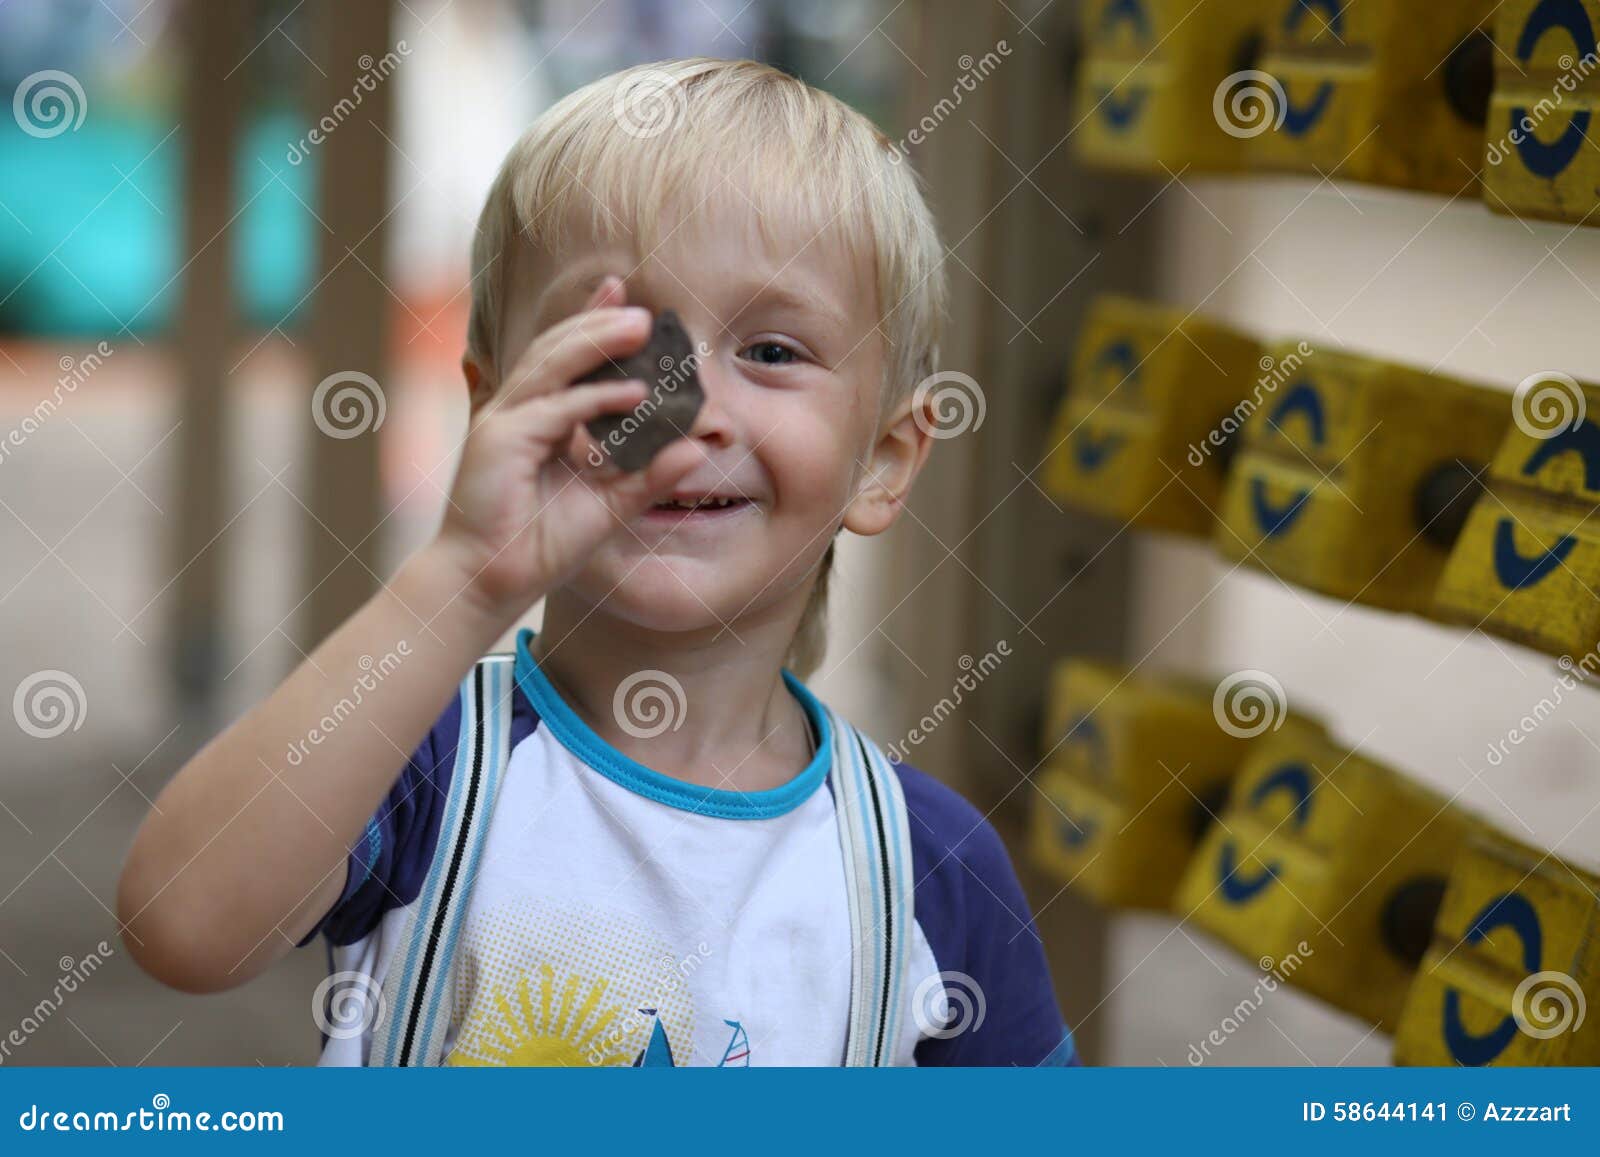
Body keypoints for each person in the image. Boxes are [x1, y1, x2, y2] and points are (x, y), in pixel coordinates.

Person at [118, 57, 1078, 1068]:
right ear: (495, 408)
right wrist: (463, 577)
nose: (685, 408)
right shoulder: (425, 762)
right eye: (619, 347)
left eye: (774, 351)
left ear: (882, 461)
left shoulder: (929, 869)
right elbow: (181, 925)